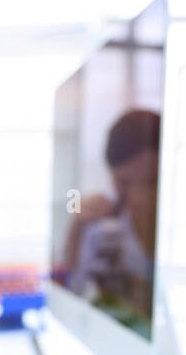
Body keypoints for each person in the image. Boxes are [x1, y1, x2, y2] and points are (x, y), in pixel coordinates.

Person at [61, 108, 158, 330]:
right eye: (124, 183)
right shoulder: (103, 219)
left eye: (150, 182)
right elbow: (75, 283)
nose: (137, 196)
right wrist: (76, 226)